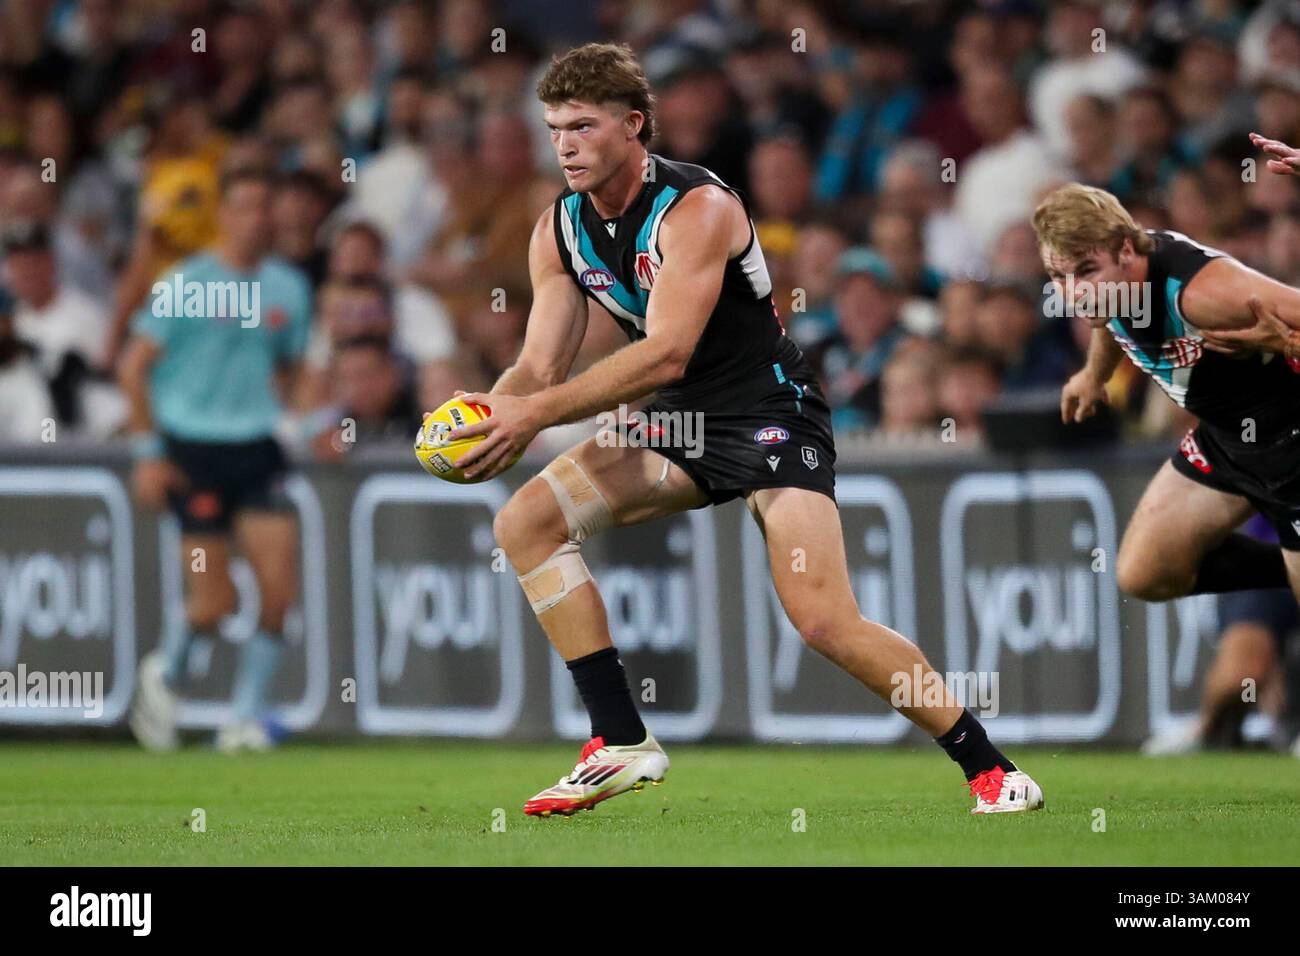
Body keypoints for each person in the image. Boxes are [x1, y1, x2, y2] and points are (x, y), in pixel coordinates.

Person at [446, 43, 1043, 816]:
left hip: (769, 413)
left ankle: (992, 770)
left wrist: (531, 415)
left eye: (583, 126)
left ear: (634, 125)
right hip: (678, 425)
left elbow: (666, 354)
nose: (563, 144)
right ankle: (620, 740)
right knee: (525, 522)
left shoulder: (700, 208)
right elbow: (536, 369)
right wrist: (490, 417)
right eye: (555, 126)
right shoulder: (558, 229)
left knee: (824, 619)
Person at [1042, 174, 1300, 617]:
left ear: (1126, 249)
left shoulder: (1205, 293)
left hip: (1293, 451)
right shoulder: (1113, 288)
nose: (1075, 293)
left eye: (1085, 271)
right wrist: (1093, 375)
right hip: (1227, 444)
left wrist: (1290, 345)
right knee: (1145, 572)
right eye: (1057, 277)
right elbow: (1110, 322)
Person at [119, 168, 313, 753]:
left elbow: (292, 369)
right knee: (214, 600)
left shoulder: (288, 288)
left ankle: (243, 720)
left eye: (265, 206)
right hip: (192, 455)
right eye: (246, 205)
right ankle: (165, 673)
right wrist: (148, 451)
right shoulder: (187, 281)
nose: (258, 218)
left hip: (256, 451)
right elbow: (134, 367)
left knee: (278, 592)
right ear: (224, 215)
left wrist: (300, 420)